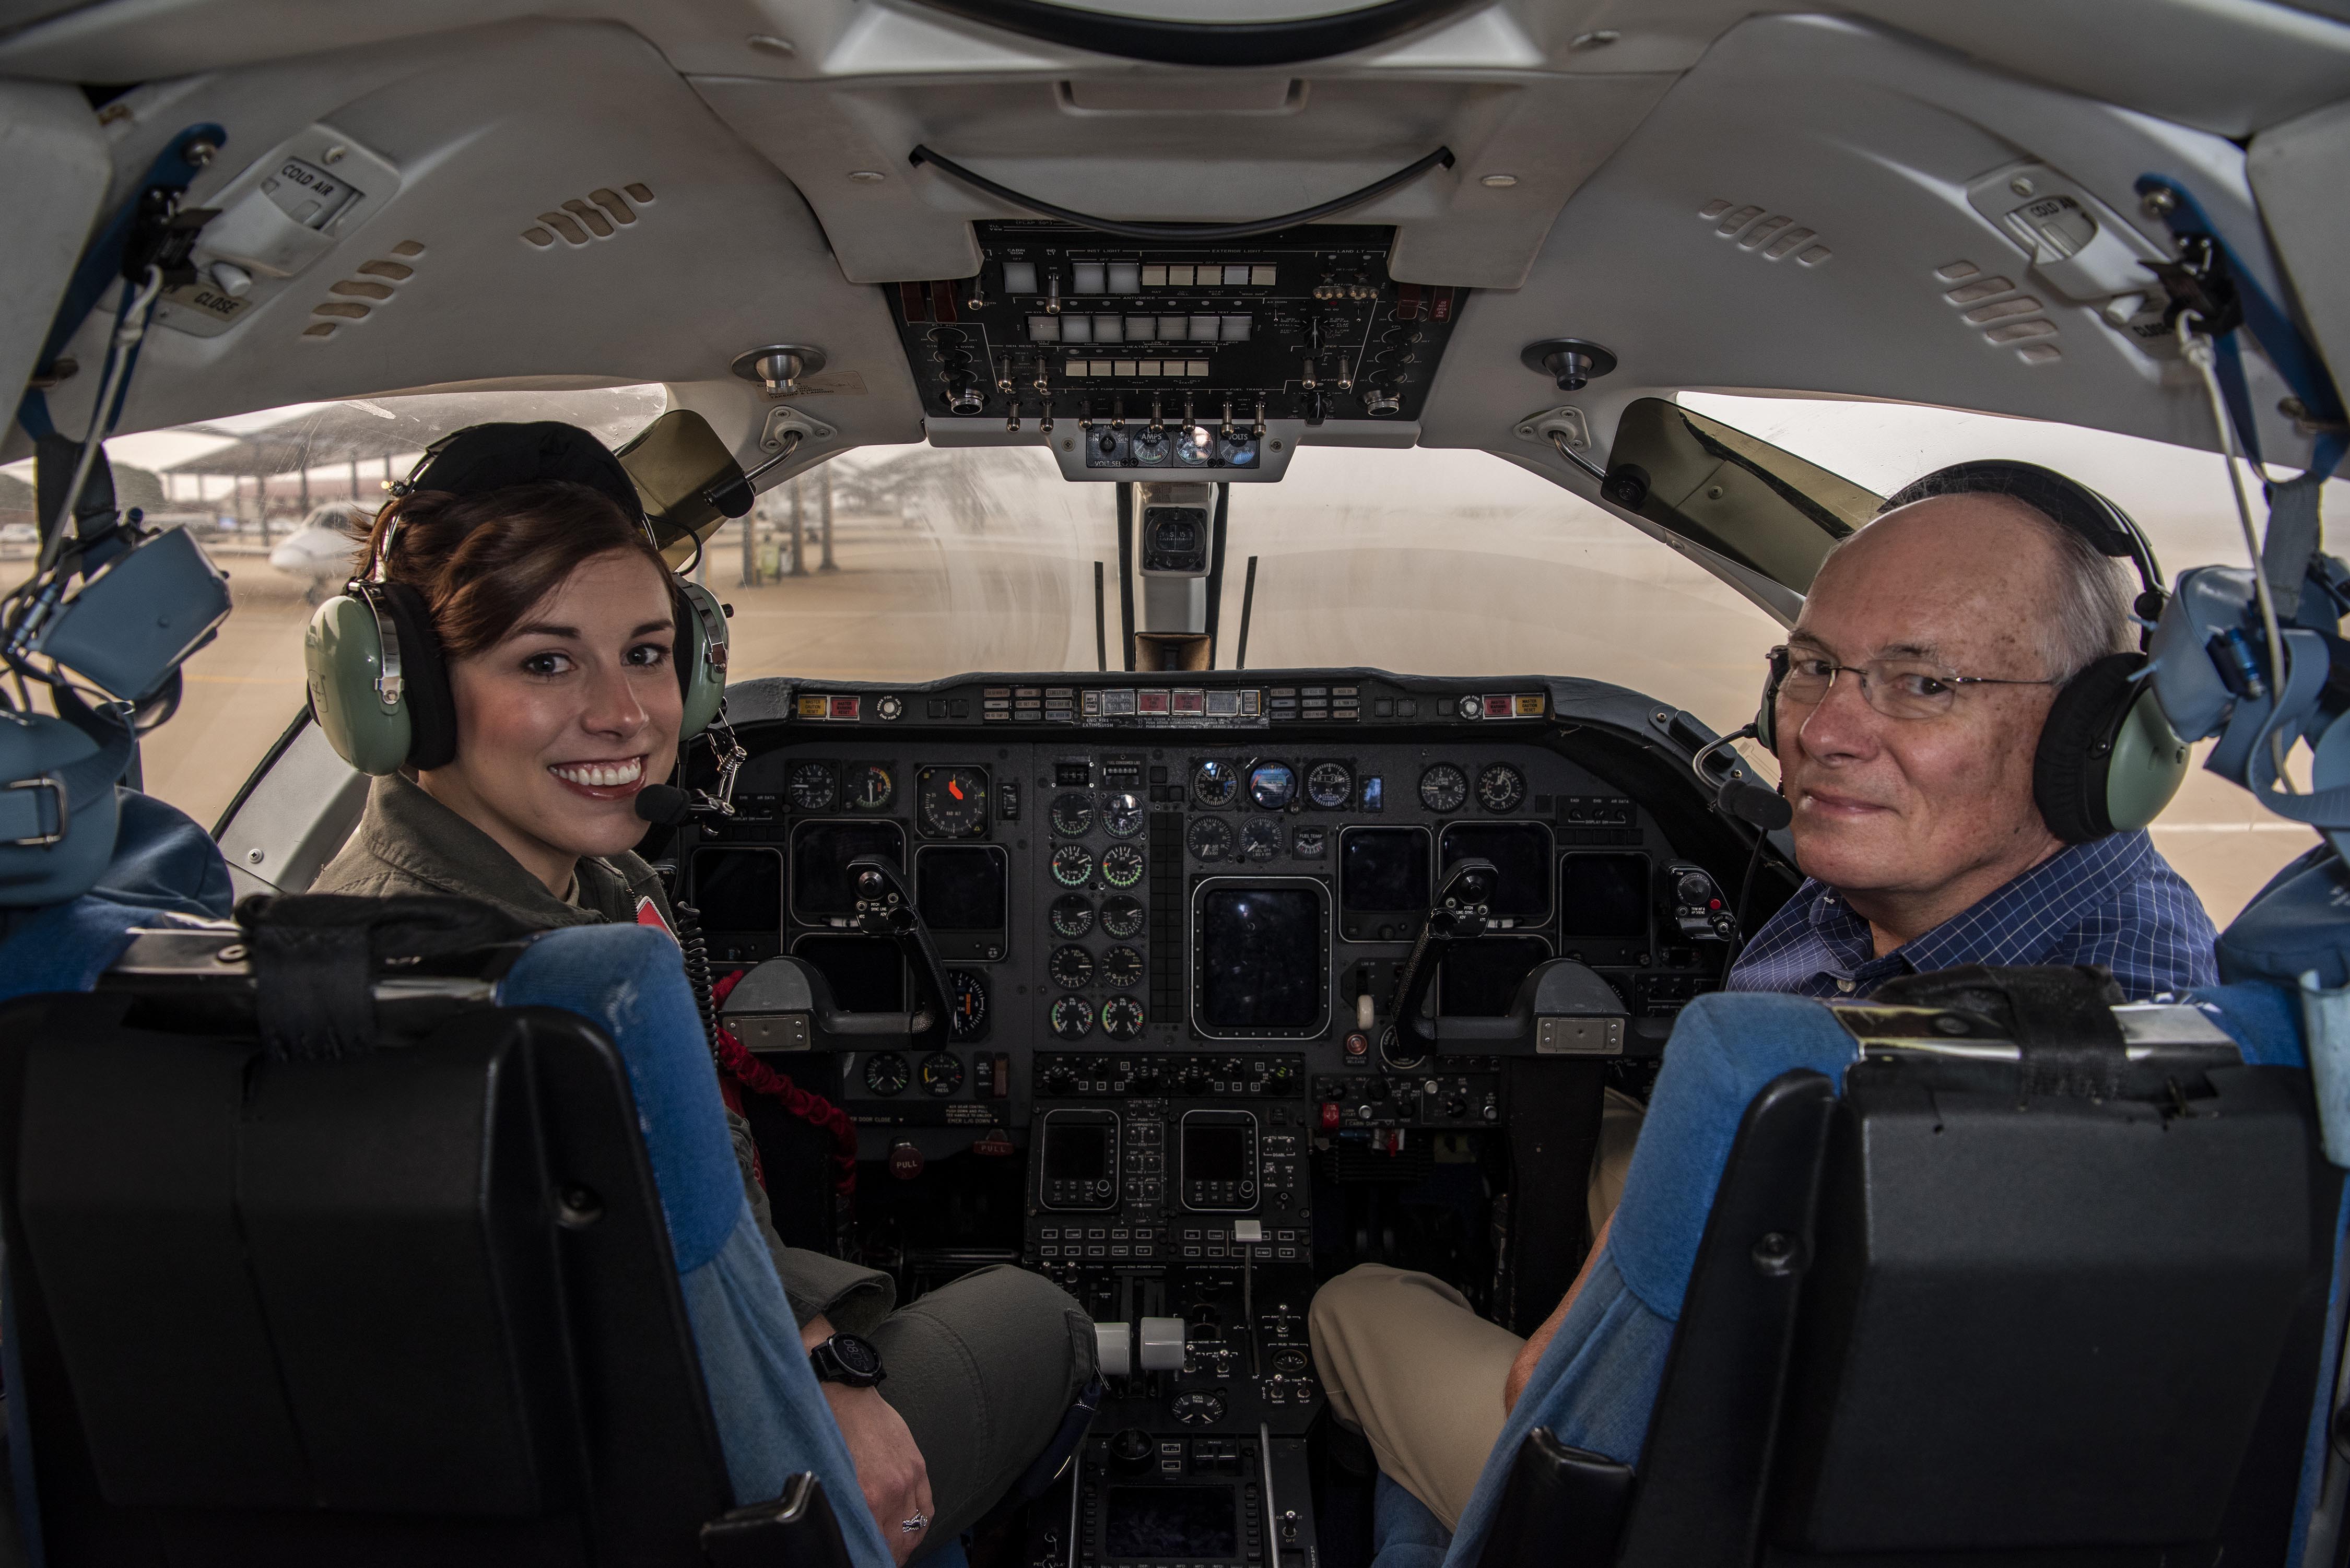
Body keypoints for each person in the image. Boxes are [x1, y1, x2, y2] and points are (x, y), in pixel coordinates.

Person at [1309, 467, 2219, 1534]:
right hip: (1787, 1336)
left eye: (1922, 683)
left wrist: (1562, 1338)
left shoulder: (2097, 1059)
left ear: (2092, 737)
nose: (1822, 731)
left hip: (1698, 1511)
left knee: (1361, 1302)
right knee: (1608, 1128)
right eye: (1816, 665)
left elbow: (1550, 1389)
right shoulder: (1879, 895)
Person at [312, 423, 1094, 1560]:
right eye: (545, 660)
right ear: (409, 696)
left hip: (547, 1465)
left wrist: (817, 1340)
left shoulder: (356, 933)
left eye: (645, 651)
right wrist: (827, 1379)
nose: (628, 715)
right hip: (676, 1480)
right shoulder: (538, 995)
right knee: (1042, 1316)